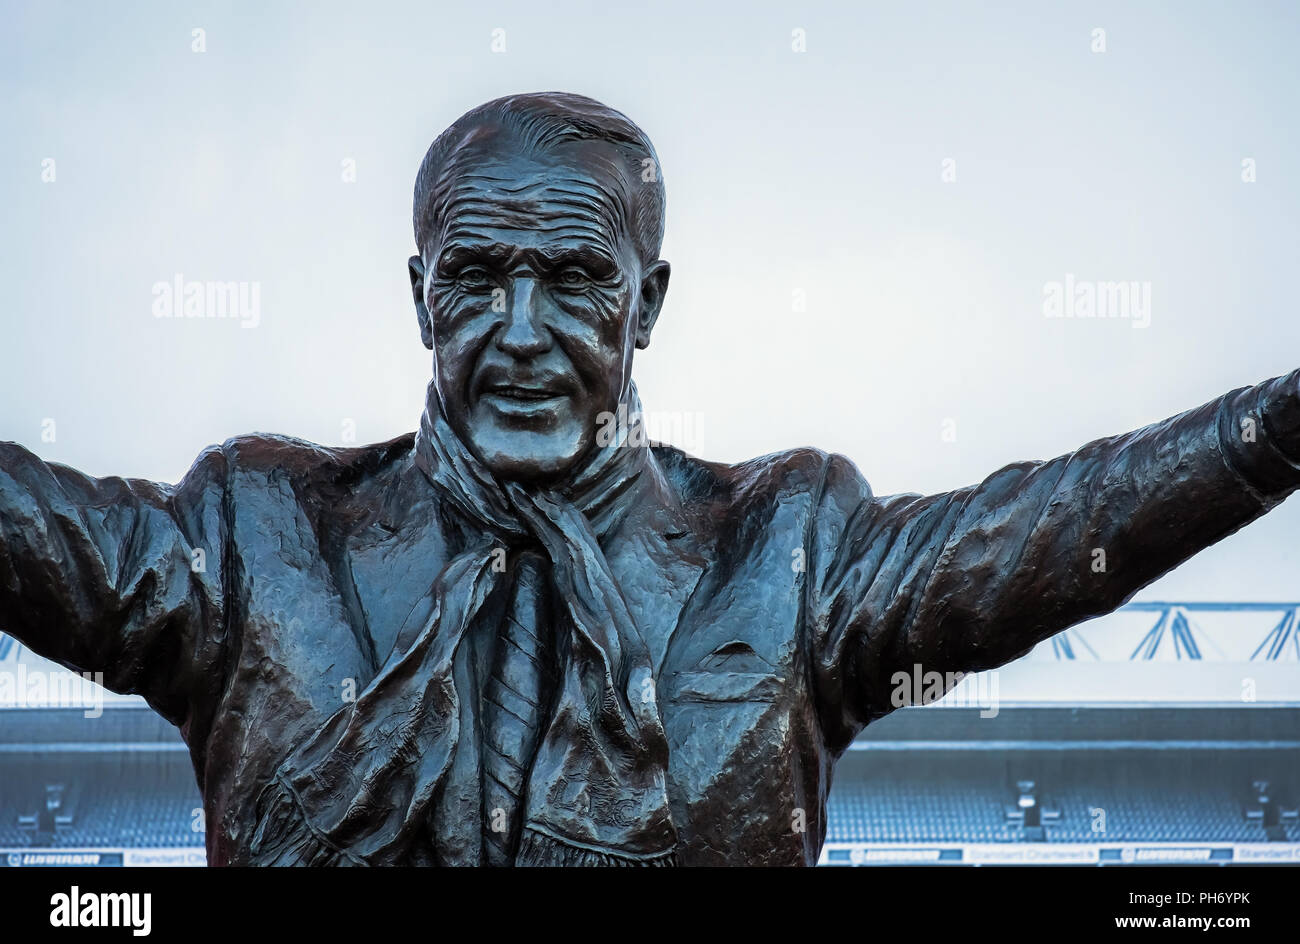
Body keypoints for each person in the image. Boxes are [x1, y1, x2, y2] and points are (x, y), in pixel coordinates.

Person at [2, 91, 1298, 866]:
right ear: (420, 296)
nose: (518, 331)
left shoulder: (783, 550)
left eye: (571, 283)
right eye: (477, 279)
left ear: (647, 300)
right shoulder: (255, 537)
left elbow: (1045, 533)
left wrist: (1269, 433)